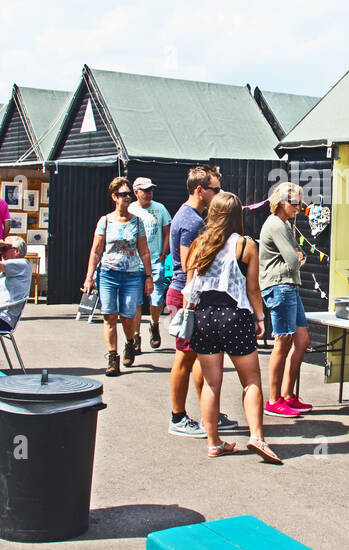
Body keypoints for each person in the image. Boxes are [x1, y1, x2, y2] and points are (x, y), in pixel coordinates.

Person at [183, 192, 280, 464]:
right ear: (238, 215)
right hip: (234, 316)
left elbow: (188, 289)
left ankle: (214, 442)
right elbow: (252, 288)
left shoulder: (198, 244)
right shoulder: (246, 245)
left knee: (211, 384)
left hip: (203, 315)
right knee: (251, 381)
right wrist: (260, 319)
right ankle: (257, 437)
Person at [165, 165, 235, 437]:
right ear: (200, 190)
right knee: (184, 357)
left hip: (190, 294)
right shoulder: (192, 221)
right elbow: (187, 263)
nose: (219, 194)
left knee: (197, 356)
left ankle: (211, 414)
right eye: (215, 189)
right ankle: (177, 417)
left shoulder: (193, 216)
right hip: (186, 294)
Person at [82, 177, 152, 376]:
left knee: (127, 317)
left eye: (129, 194)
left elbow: (144, 251)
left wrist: (148, 277)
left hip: (131, 275)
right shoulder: (105, 221)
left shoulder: (136, 222)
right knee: (109, 316)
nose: (128, 197)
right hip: (108, 273)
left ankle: (130, 342)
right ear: (114, 197)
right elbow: (96, 251)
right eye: (123, 194)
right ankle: (113, 357)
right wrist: (89, 277)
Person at [259, 182, 313, 416]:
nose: (298, 208)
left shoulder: (285, 225)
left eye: (300, 204)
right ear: (281, 202)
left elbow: (299, 258)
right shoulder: (277, 225)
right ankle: (273, 399)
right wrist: (297, 258)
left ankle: (288, 394)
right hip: (280, 286)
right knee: (282, 343)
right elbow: (293, 261)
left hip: (289, 286)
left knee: (302, 341)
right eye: (294, 203)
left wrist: (298, 258)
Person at [129, 177, 172, 353]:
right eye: (145, 190)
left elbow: (167, 232)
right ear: (136, 192)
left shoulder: (160, 209)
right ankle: (136, 336)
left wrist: (163, 255)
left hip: (155, 261)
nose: (149, 194)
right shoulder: (130, 209)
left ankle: (154, 324)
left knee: (156, 299)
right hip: (135, 263)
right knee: (136, 302)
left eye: (151, 190)